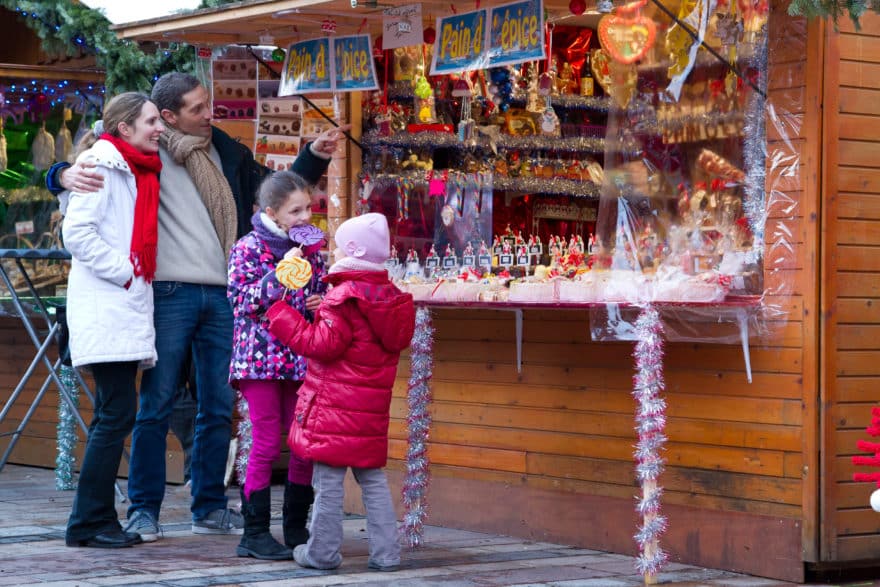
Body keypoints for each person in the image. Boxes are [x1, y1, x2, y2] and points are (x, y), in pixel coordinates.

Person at [47, 72, 344, 542]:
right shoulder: (142, 150)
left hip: (222, 289)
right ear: (166, 117)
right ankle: (144, 508)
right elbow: (90, 167)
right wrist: (58, 173)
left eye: (209, 105)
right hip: (166, 290)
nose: (211, 114)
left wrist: (311, 156)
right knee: (156, 402)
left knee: (217, 403)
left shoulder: (223, 150)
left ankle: (208, 505)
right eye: (198, 108)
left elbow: (271, 195)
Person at [266, 213, 415, 572]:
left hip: (333, 409)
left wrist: (283, 315)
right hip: (369, 411)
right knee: (373, 480)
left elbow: (321, 345)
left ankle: (322, 553)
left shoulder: (342, 296)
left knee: (328, 483)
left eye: (338, 245)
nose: (332, 250)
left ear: (353, 250)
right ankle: (387, 553)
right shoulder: (392, 298)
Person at [61, 92, 165, 548]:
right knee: (116, 414)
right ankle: (90, 522)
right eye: (151, 121)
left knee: (113, 413)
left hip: (121, 306)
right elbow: (77, 233)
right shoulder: (103, 165)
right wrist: (126, 270)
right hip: (109, 304)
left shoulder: (138, 168)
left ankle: (92, 519)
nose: (159, 127)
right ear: (125, 128)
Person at [227, 170, 327, 560]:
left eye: (308, 209)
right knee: (267, 442)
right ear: (272, 212)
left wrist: (321, 302)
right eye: (295, 211)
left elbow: (317, 292)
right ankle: (253, 533)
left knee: (302, 443)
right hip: (259, 358)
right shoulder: (248, 247)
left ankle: (296, 527)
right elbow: (244, 302)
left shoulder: (314, 251)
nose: (304, 218)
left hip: (299, 355)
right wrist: (280, 271)